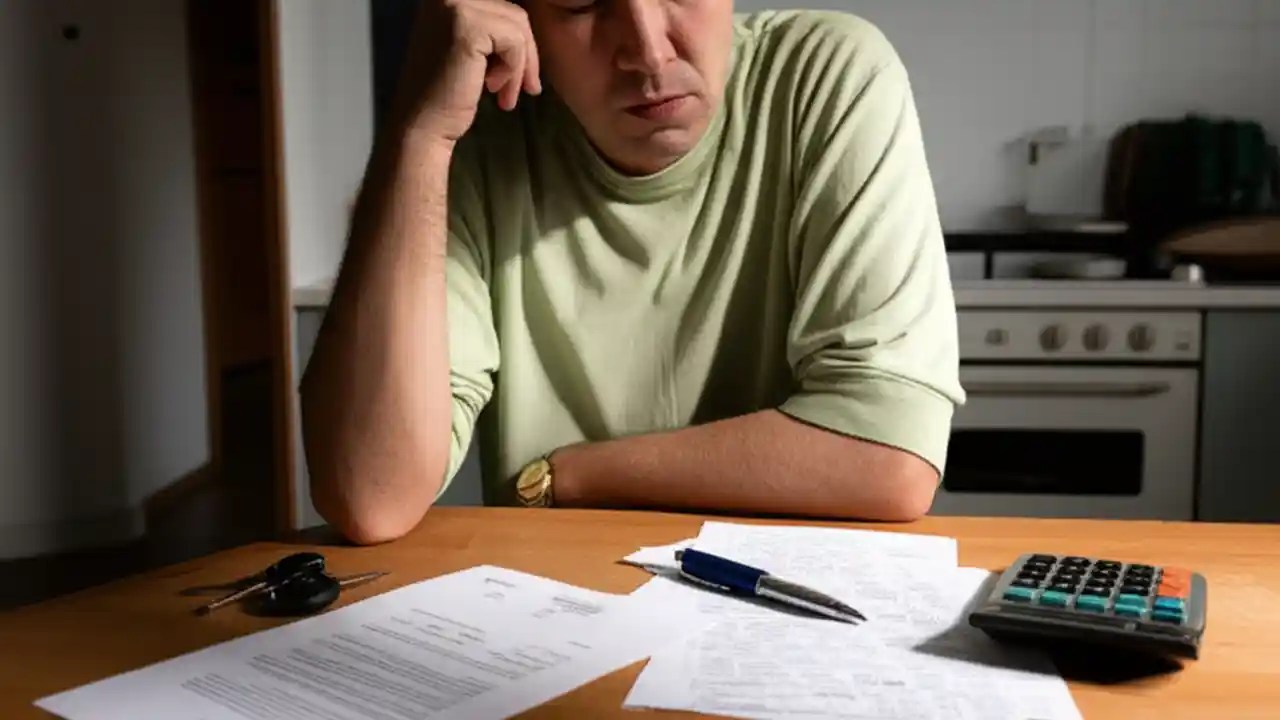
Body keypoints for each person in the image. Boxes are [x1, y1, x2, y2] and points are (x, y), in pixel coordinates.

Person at [298, 0, 966, 545]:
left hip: (796, 601)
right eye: (583, 5)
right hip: (555, 603)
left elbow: (887, 456)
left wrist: (567, 475)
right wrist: (417, 135)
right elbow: (371, 496)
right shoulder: (479, 134)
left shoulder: (826, 74)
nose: (648, 49)